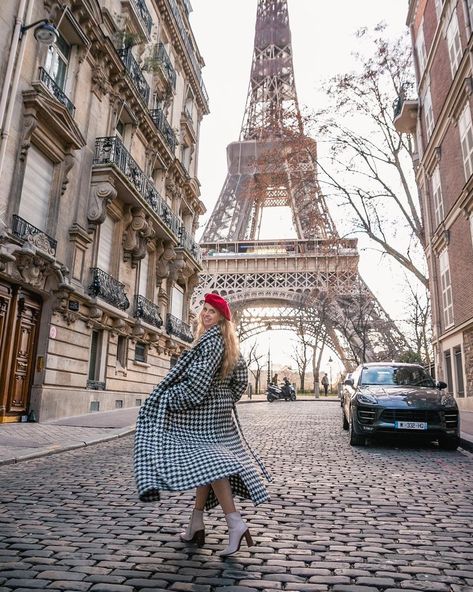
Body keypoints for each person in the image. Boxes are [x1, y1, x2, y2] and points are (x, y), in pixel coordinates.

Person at [134, 293, 271, 557]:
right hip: (217, 414)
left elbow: (196, 389)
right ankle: (196, 524)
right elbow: (240, 379)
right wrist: (223, 398)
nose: (206, 314)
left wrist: (168, 399)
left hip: (202, 413)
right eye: (204, 310)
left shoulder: (209, 343)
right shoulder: (228, 343)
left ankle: (235, 523)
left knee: (212, 463)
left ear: (221, 317)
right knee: (206, 464)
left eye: (212, 311)